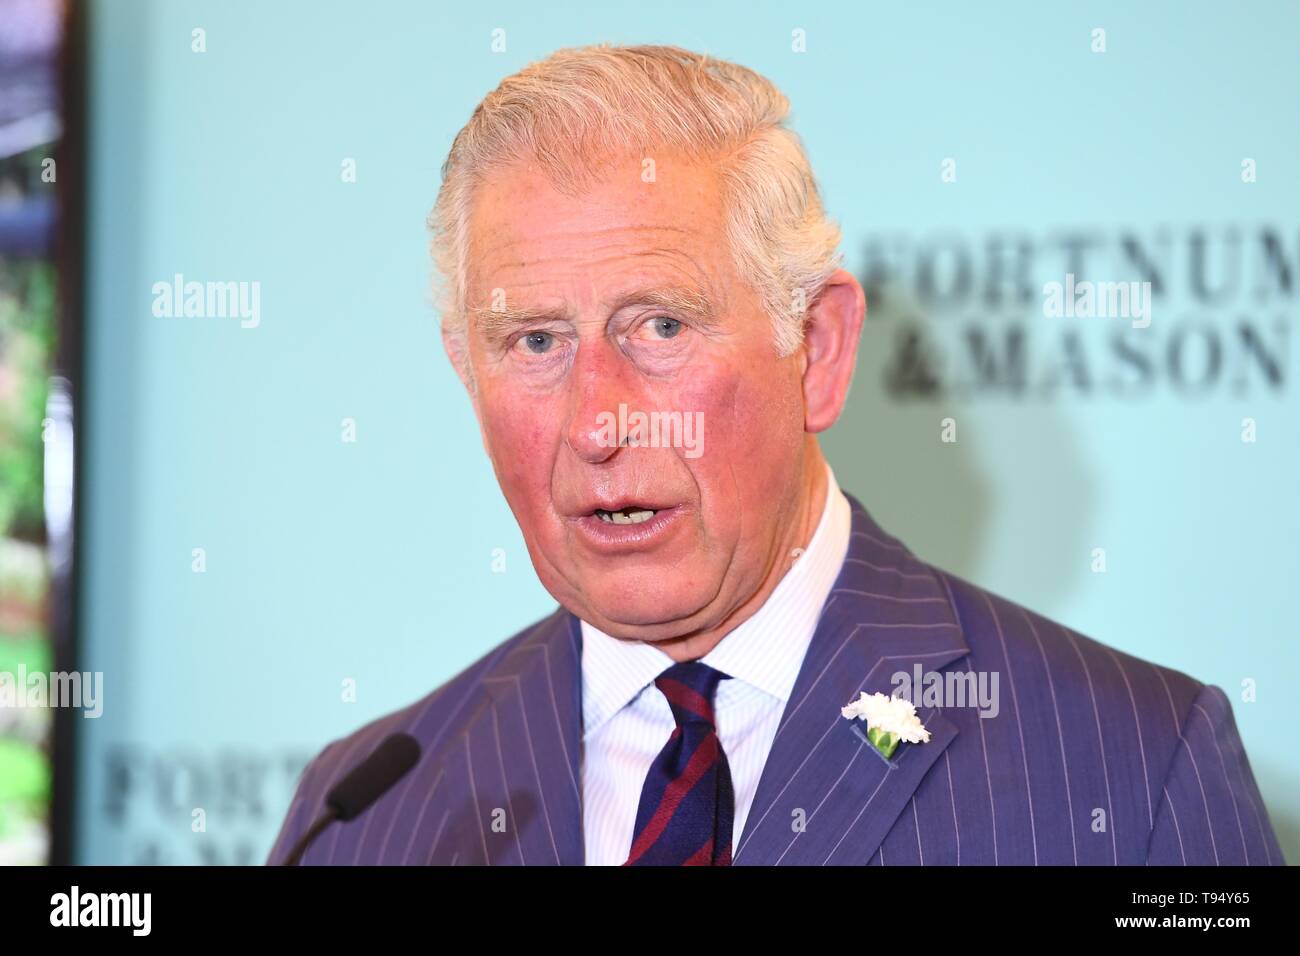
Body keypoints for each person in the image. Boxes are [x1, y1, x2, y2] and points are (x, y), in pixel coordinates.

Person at [268, 44, 1283, 866]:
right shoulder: (363, 815)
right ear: (464, 367)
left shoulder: (1130, 768)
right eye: (534, 342)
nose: (595, 421)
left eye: (659, 326)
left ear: (819, 351)